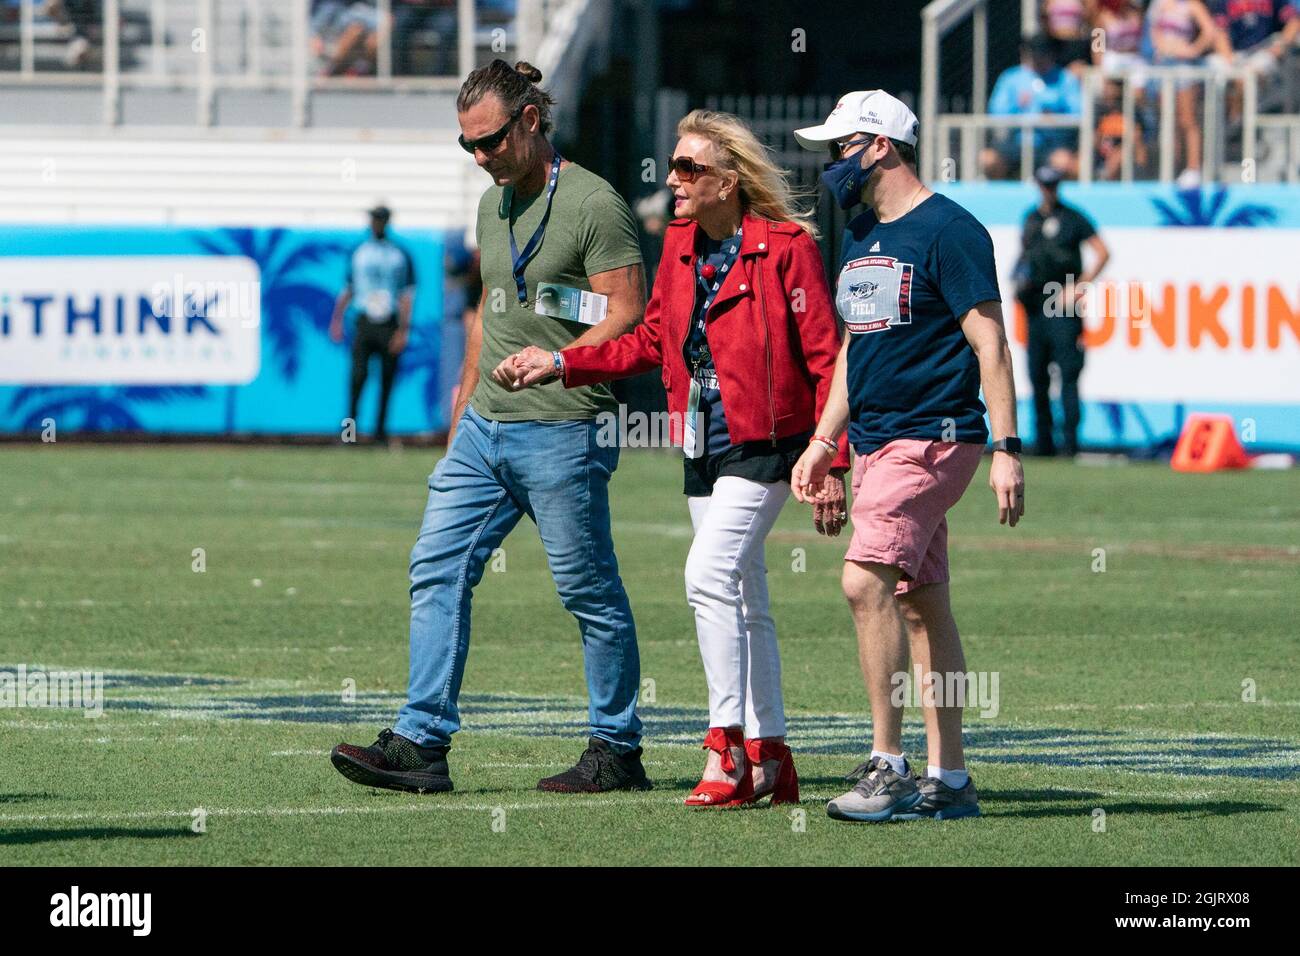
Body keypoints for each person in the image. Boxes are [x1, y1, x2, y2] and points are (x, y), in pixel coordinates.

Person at [502, 110, 850, 809]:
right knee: (746, 596)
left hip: (768, 442)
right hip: (700, 440)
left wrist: (831, 459)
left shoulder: (785, 247)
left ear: (730, 179)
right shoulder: (683, 241)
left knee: (707, 576)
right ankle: (771, 755)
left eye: (690, 167)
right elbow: (653, 339)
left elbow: (825, 355)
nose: (675, 179)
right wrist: (561, 362)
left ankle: (724, 747)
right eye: (674, 164)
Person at [330, 60, 651, 795]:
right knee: (436, 567)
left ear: (532, 121)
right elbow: (488, 311)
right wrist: (459, 412)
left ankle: (617, 747)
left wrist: (558, 360)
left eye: (492, 140)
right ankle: (421, 742)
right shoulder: (491, 204)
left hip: (567, 426)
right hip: (484, 430)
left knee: (586, 590)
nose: (481, 157)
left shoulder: (595, 203)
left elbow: (629, 312)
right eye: (467, 145)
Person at [790, 89, 1026, 823]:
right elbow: (855, 353)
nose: (833, 164)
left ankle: (887, 767)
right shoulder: (862, 233)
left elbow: (990, 341)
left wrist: (1007, 448)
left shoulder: (949, 231)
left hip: (932, 437)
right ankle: (950, 779)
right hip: (876, 441)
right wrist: (826, 441)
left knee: (863, 582)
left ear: (881, 145)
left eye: (842, 148)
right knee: (919, 604)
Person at [1016, 166, 1109, 457]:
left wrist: (1080, 286)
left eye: (1052, 185)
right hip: (1035, 302)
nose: (1048, 191)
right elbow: (1025, 258)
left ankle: (1069, 443)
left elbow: (1102, 251)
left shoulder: (1072, 218)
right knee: (1037, 373)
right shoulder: (1031, 219)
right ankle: (1043, 442)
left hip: (1062, 297)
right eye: (1044, 185)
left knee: (1068, 371)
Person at [328, 204, 415, 446]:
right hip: (364, 321)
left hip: (388, 321)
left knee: (387, 380)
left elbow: (406, 295)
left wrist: (403, 330)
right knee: (357, 378)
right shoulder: (360, 251)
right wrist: (336, 320)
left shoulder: (399, 253)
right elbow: (348, 288)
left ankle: (380, 434)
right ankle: (349, 433)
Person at [1148, 0, 1230, 187]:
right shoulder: (1159, 5)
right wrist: (1162, 48)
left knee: (1187, 118)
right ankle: (1172, 168)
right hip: (1164, 68)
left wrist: (1193, 50)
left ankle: (1193, 168)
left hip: (1184, 68)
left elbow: (1210, 31)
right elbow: (1154, 33)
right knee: (1169, 121)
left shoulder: (1192, 5)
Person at [982, 35, 1084, 180]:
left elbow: (1079, 113)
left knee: (1065, 163)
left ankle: (1052, 201)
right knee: (988, 160)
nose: (1039, 58)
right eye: (1034, 54)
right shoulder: (1011, 77)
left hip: (1051, 146)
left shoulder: (1066, 79)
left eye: (1043, 54)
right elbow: (996, 112)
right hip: (1015, 144)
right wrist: (1017, 107)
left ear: (1052, 54)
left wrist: (1055, 117)